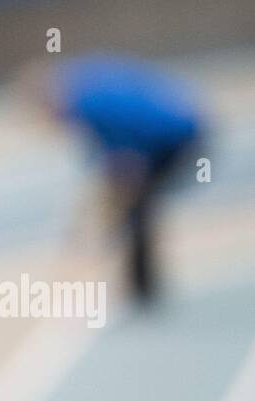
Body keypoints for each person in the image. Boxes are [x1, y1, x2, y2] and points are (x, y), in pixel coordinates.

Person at [24, 53, 205, 303]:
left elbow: (128, 166)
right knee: (134, 209)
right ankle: (139, 286)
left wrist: (100, 227)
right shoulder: (84, 84)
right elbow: (108, 166)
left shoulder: (89, 105)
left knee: (137, 208)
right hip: (172, 130)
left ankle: (142, 290)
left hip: (176, 138)